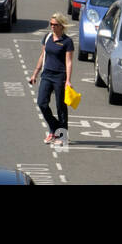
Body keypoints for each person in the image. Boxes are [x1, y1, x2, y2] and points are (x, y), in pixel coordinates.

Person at [28, 13, 74, 145]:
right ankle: (54, 129)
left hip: (60, 76)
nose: (52, 27)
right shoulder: (47, 37)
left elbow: (69, 62)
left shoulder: (67, 42)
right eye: (51, 24)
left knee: (61, 106)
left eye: (55, 25)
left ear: (61, 26)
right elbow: (43, 55)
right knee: (42, 103)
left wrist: (68, 80)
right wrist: (35, 74)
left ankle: (62, 136)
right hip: (46, 74)